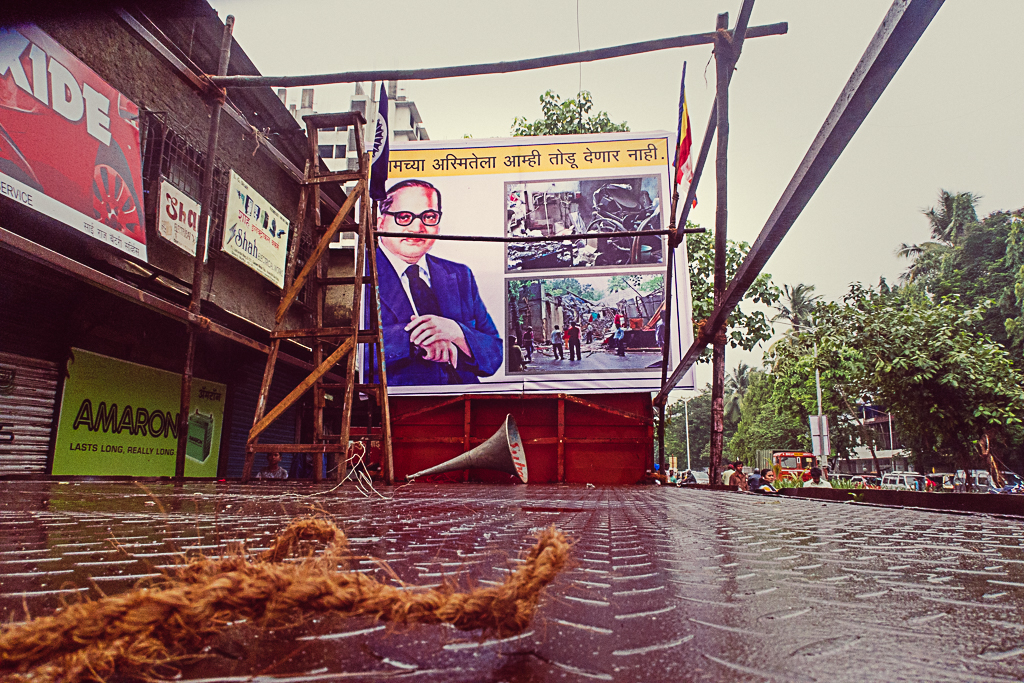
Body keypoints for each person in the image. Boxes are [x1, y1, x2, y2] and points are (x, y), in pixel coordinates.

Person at [375, 180, 502, 386]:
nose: (417, 228)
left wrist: (457, 332)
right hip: (395, 401)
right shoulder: (360, 274)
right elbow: (344, 350)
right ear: (381, 223)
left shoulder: (460, 274)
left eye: (429, 217)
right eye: (404, 217)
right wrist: (416, 338)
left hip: (465, 398)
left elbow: (495, 354)